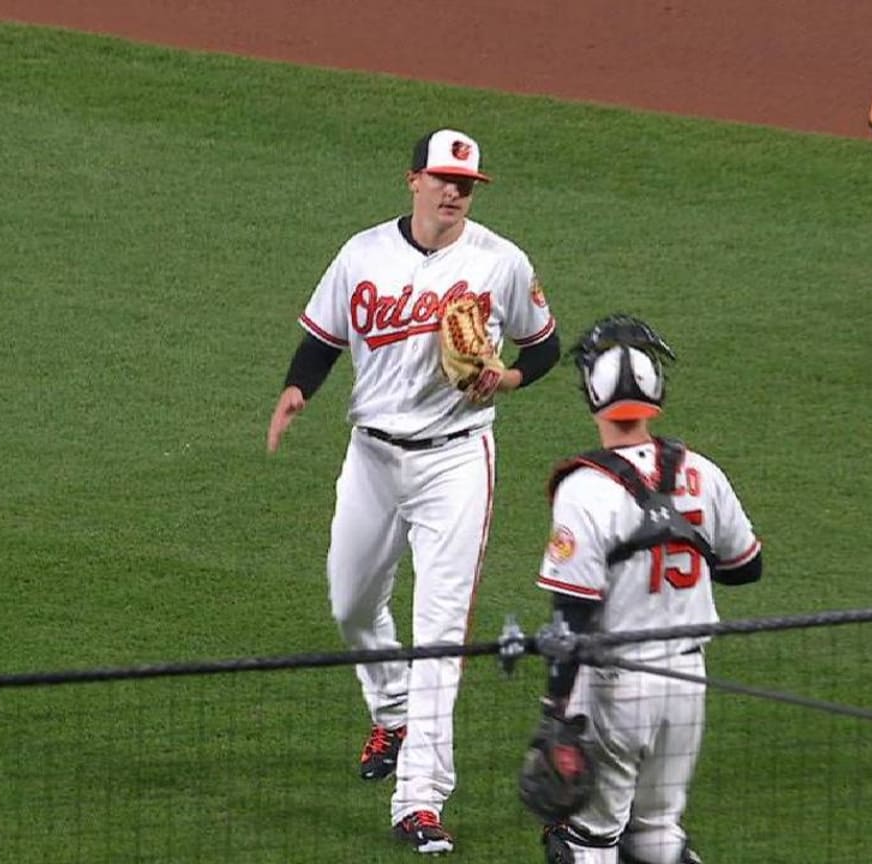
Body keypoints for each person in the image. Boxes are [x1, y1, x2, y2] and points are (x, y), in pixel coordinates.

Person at [266, 128, 560, 854]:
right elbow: (322, 338)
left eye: (467, 183)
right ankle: (390, 711)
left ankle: (419, 800)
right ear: (413, 180)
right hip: (371, 457)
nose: (455, 192)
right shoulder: (362, 252)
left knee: (439, 638)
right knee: (351, 603)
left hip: (456, 464)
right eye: (442, 179)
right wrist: (296, 391)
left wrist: (509, 378)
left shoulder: (500, 261)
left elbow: (545, 344)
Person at [530, 315, 763, 864]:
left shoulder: (584, 489)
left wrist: (554, 711)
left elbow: (572, 615)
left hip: (617, 683)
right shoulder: (703, 472)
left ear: (592, 394)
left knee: (588, 837)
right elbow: (746, 567)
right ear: (658, 393)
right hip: (686, 679)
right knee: (658, 832)